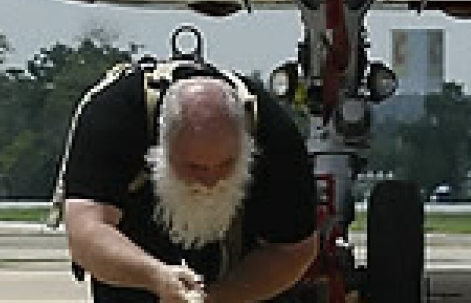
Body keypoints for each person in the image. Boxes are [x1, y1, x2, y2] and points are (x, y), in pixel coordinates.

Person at [62, 65, 318, 303]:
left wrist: (214, 299)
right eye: (194, 167)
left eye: (226, 164)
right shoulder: (115, 118)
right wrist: (156, 277)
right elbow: (86, 231)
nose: (209, 181)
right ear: (160, 147)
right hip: (132, 273)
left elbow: (293, 250)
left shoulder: (273, 133)